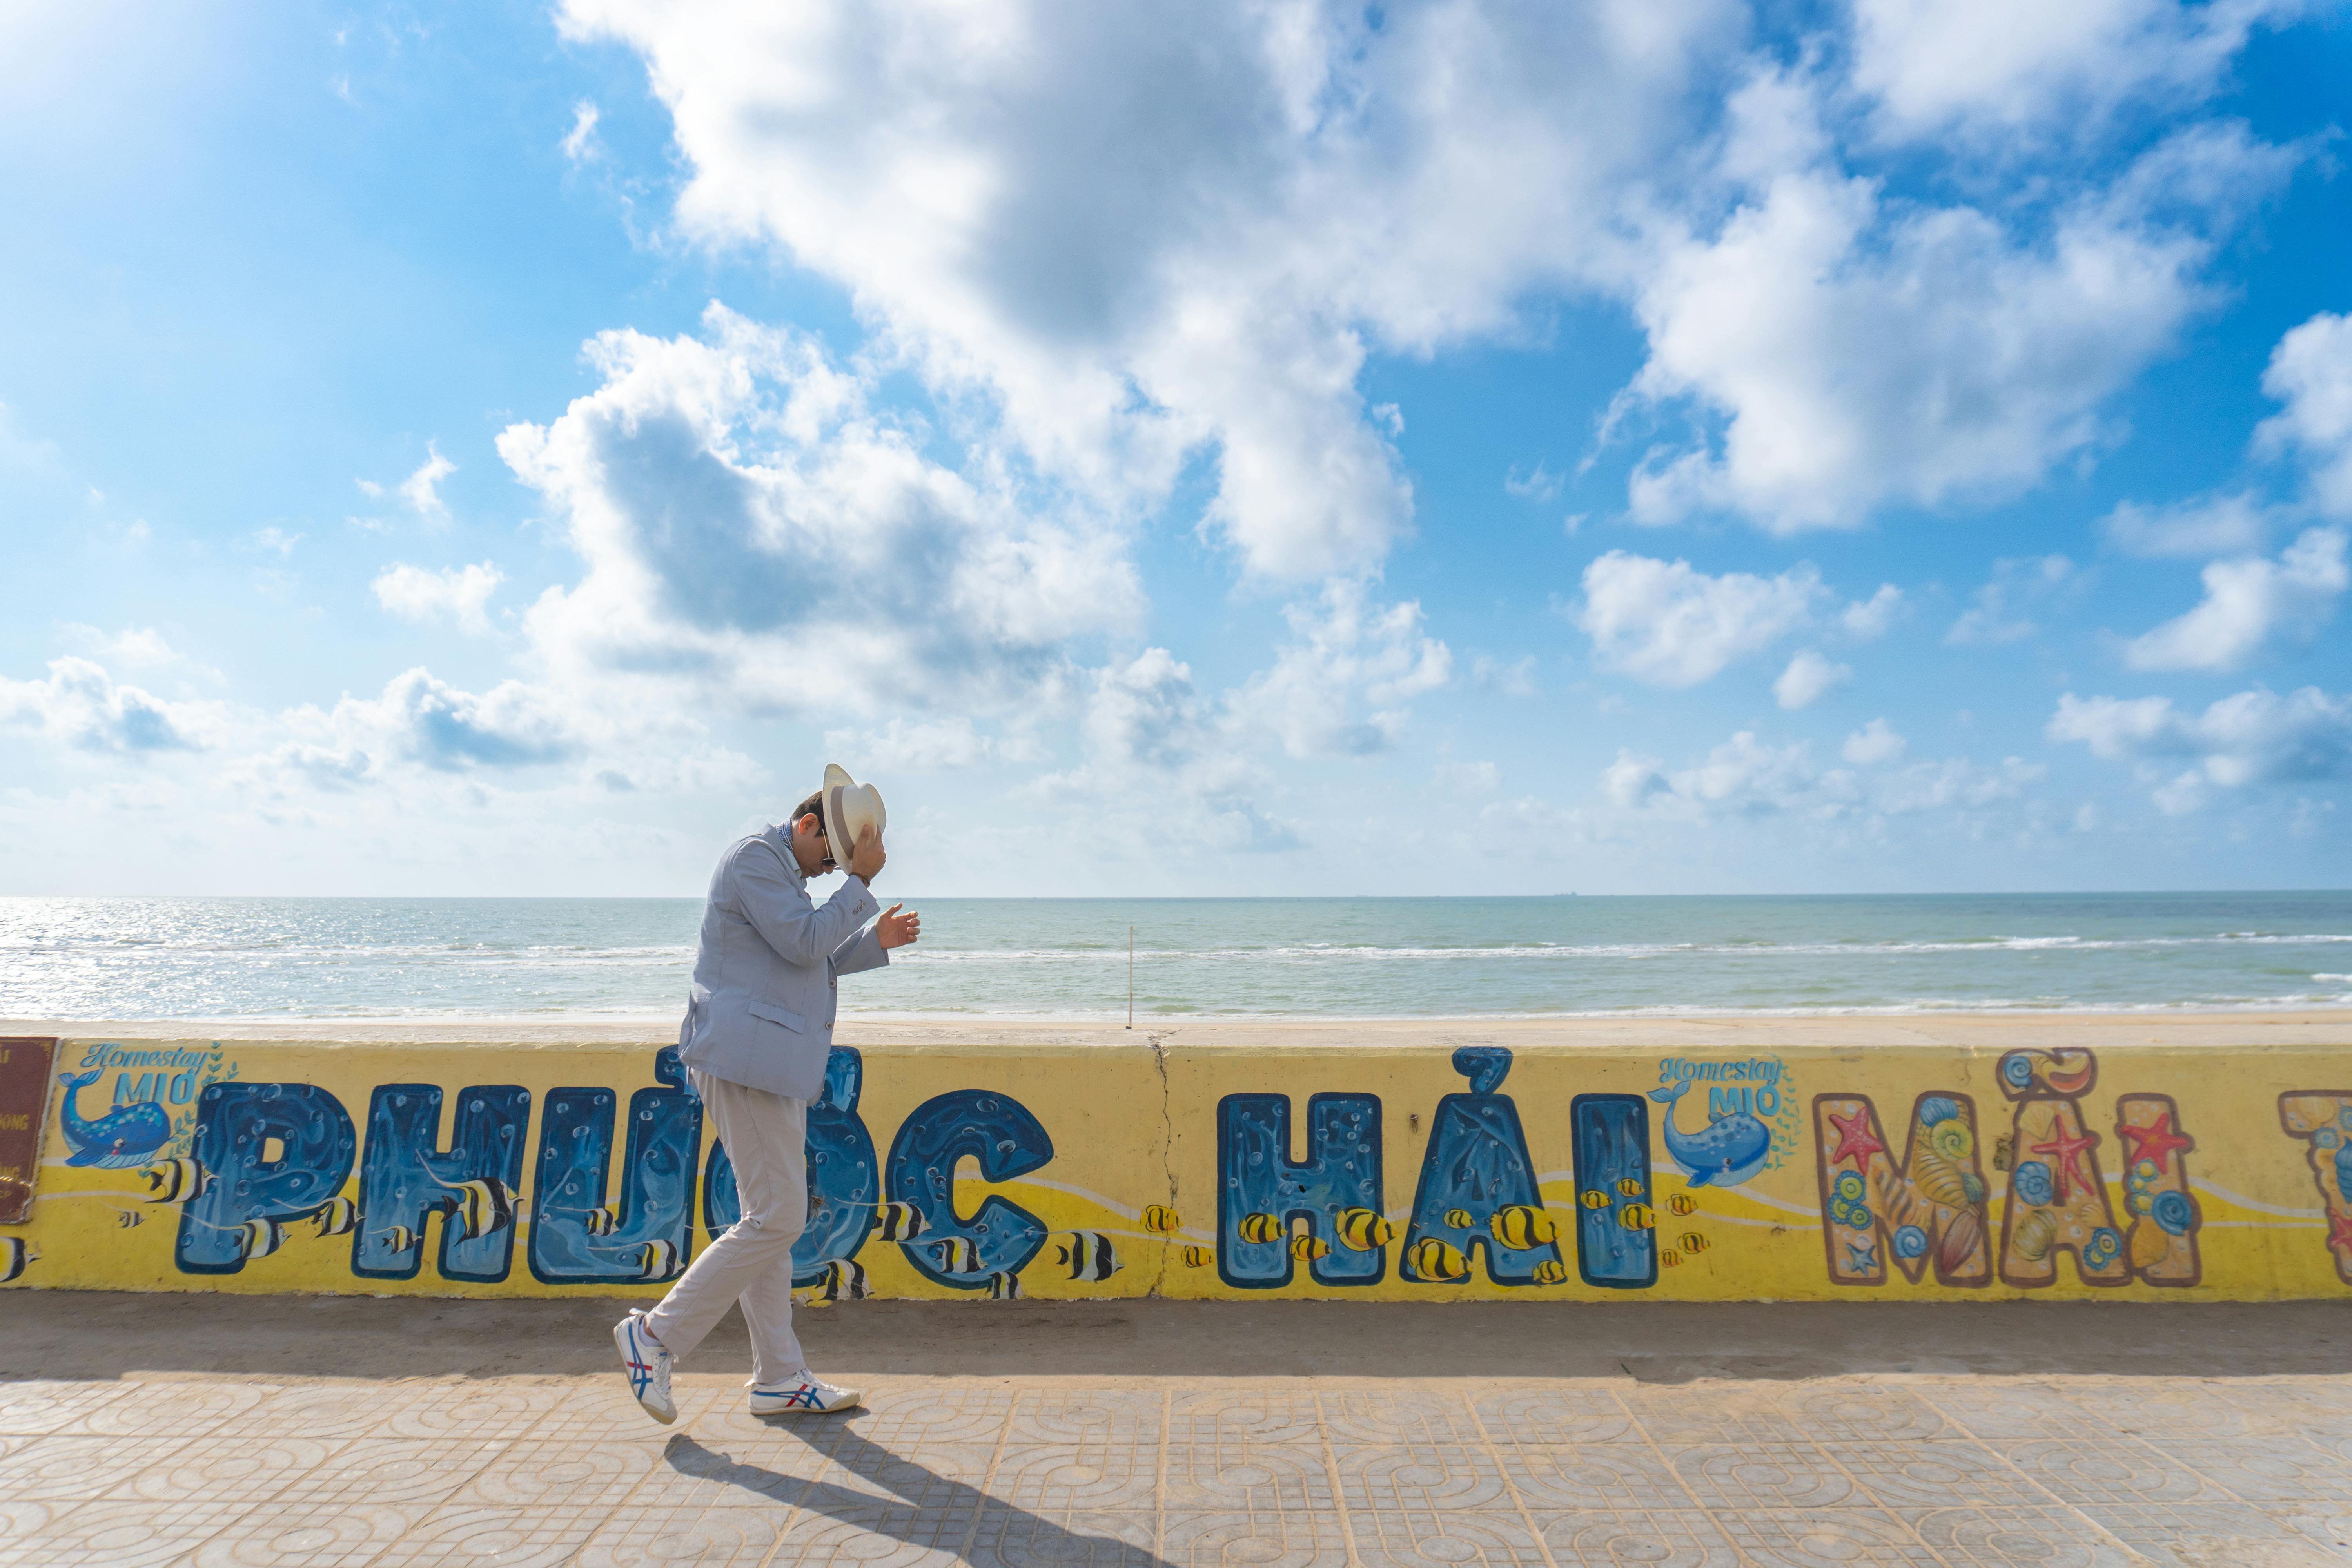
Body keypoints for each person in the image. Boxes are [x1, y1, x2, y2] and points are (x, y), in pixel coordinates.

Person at [613, 777, 919, 1422]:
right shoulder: (754, 858)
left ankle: (779, 1378)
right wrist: (859, 886)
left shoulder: (782, 875)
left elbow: (811, 962)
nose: (829, 871)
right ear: (807, 827)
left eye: (838, 866)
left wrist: (874, 943)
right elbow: (804, 943)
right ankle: (657, 1337)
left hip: (768, 1065)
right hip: (745, 1062)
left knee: (769, 1222)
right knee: (778, 1216)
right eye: (830, 859)